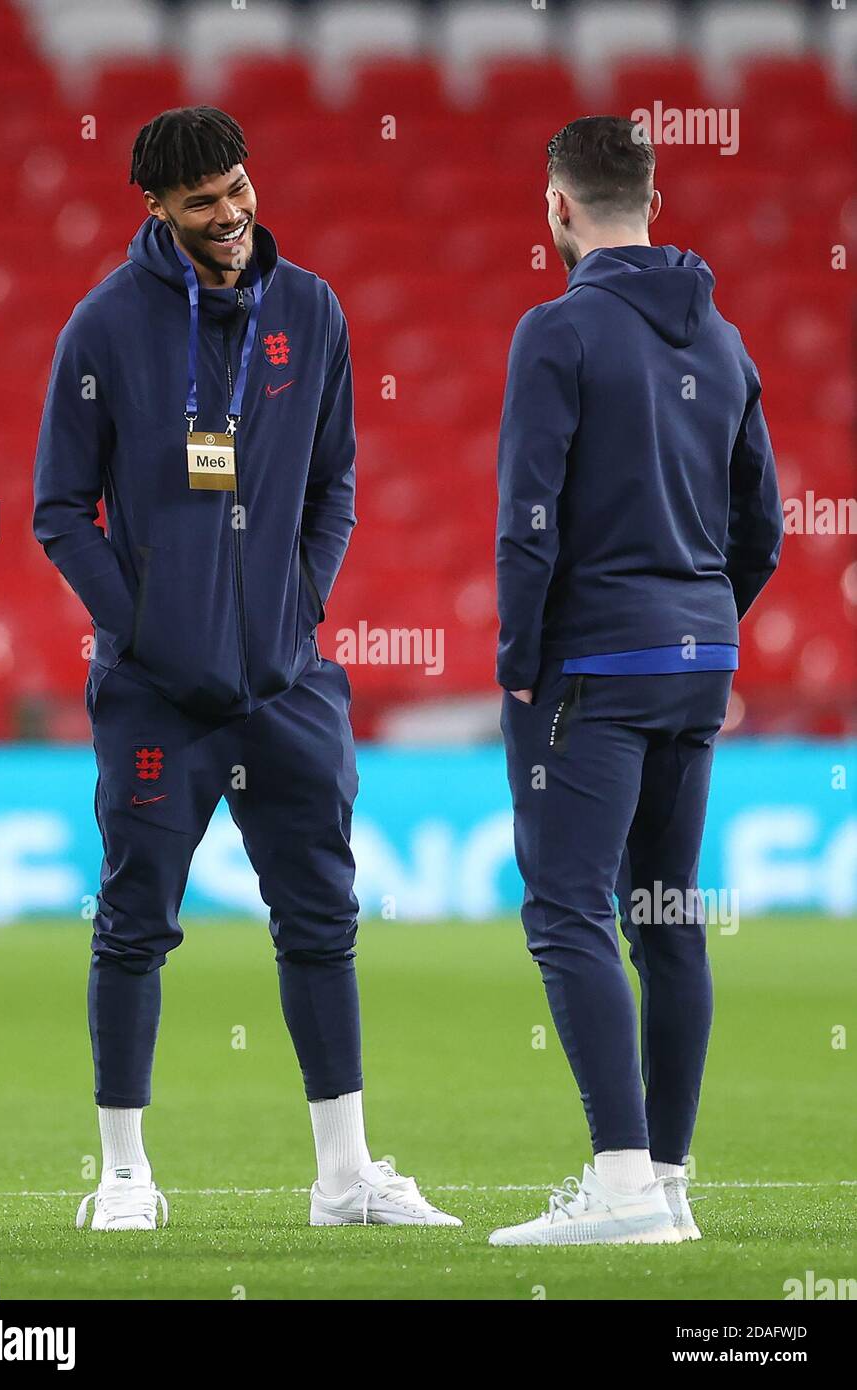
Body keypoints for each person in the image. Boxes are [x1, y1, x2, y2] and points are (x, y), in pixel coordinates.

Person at [33, 106, 460, 1232]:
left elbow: (336, 484)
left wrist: (299, 605)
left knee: (323, 918)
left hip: (287, 684)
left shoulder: (310, 310)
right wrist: (145, 627)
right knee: (134, 922)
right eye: (203, 203)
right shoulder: (103, 327)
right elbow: (57, 512)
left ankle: (346, 1179)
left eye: (237, 190)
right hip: (156, 695)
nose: (230, 217)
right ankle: (124, 1175)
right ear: (157, 211)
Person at [490, 115, 783, 1247]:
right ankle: (665, 1184)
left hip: (592, 667)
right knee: (667, 911)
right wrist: (703, 624)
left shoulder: (555, 333)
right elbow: (761, 523)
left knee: (568, 910)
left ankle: (617, 1188)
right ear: (651, 200)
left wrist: (520, 662)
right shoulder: (727, 341)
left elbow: (528, 518)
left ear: (558, 207)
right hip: (697, 662)